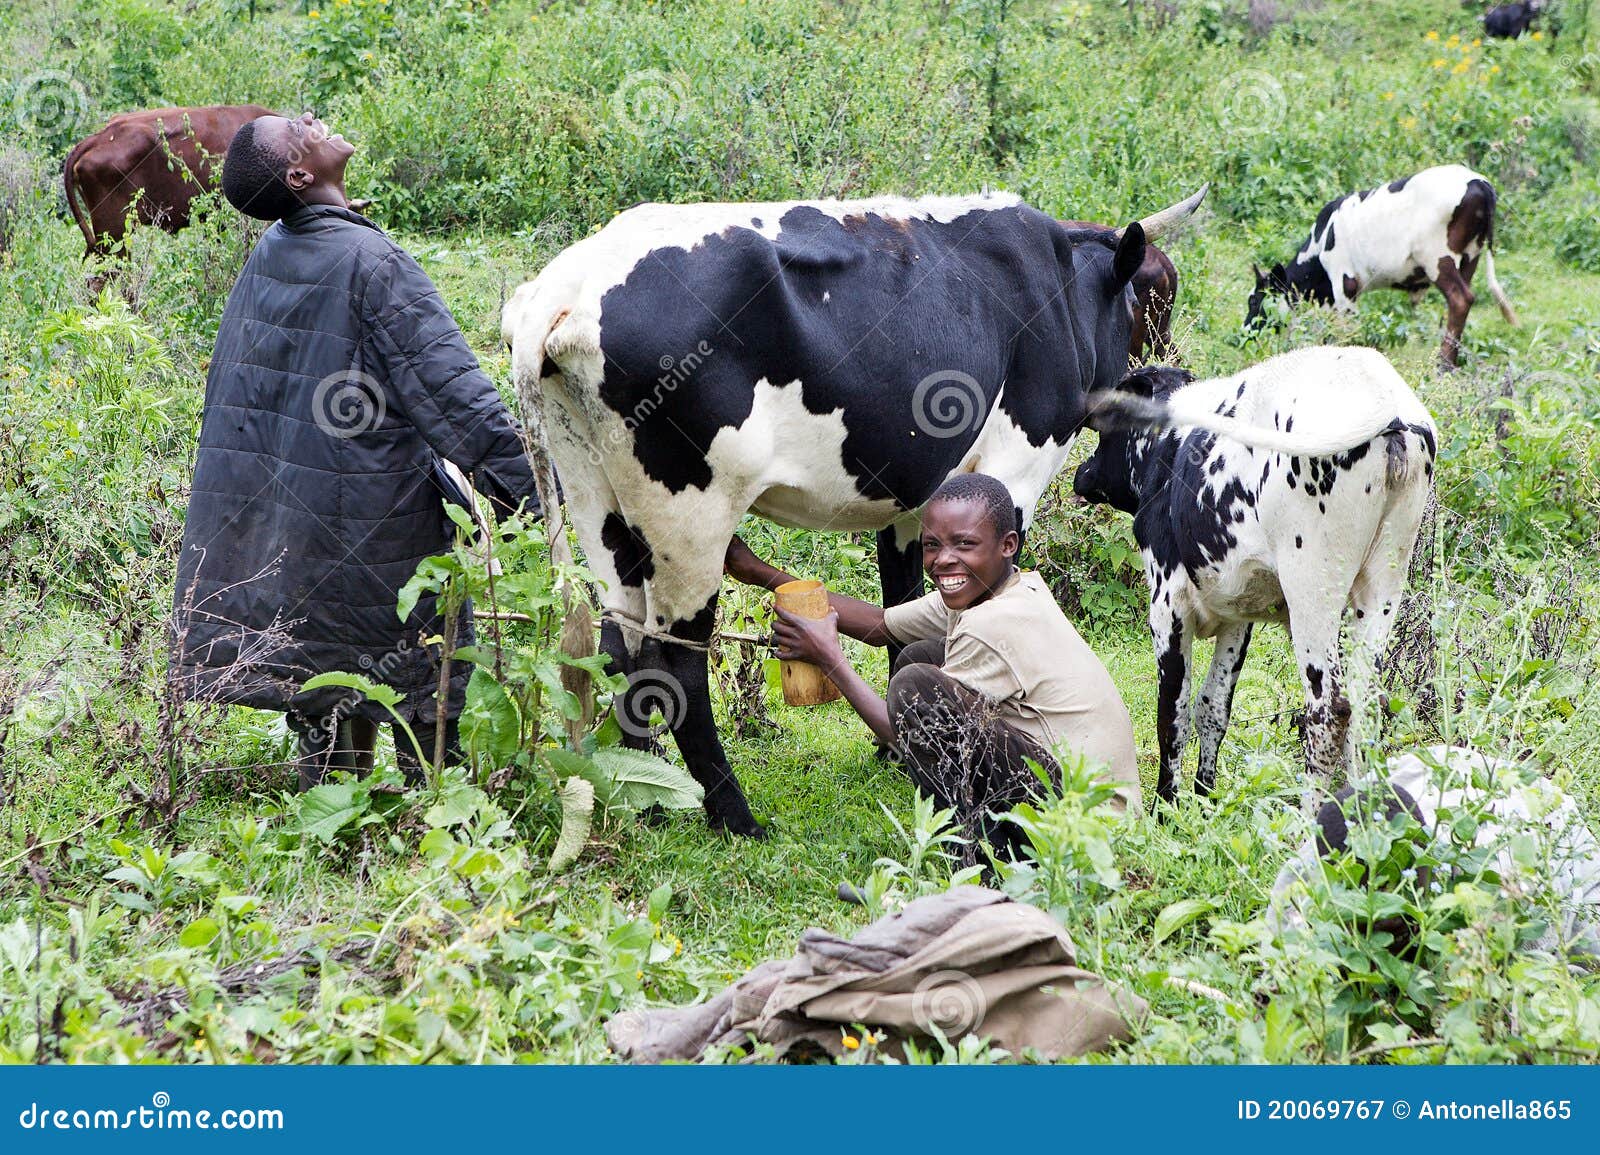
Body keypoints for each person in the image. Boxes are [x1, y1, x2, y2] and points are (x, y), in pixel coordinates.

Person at [169, 112, 538, 789]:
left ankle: (336, 819)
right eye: (298, 129)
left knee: (322, 679)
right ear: (300, 175)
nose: (313, 119)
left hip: (296, 532)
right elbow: (459, 399)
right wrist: (541, 499)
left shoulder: (272, 250)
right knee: (422, 678)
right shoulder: (374, 262)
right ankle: (445, 816)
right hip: (377, 522)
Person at [723, 473, 1141, 862]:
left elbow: (904, 735)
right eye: (931, 545)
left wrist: (830, 659)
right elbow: (878, 626)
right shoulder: (1010, 586)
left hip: (1088, 827)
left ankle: (981, 853)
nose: (944, 561)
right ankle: (980, 826)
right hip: (1080, 792)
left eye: (964, 544)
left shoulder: (989, 623)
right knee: (919, 657)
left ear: (1008, 544)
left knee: (915, 687)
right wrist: (760, 572)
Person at [1269, 746, 1600, 959]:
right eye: (1364, 910)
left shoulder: (1502, 894)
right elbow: (1279, 964)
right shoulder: (1306, 877)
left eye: (1397, 895)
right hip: (1414, 775)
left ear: (1427, 861)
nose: (1381, 909)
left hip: (1546, 824)